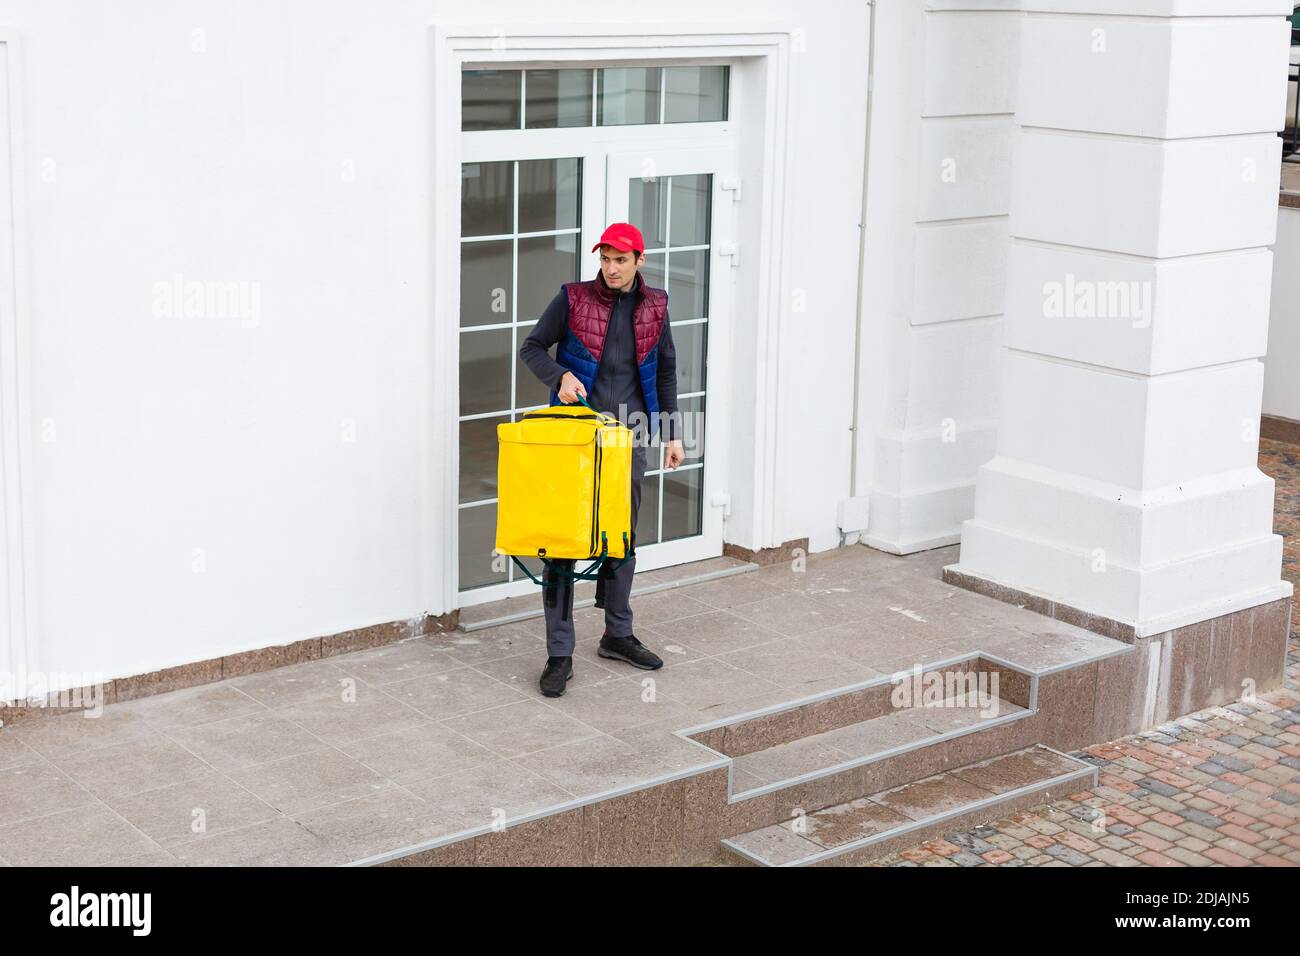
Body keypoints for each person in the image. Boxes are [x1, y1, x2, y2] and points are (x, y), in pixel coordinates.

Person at [518, 222, 685, 697]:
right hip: (574, 436)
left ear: (639, 262)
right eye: (605, 259)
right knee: (564, 541)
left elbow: (666, 369)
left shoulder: (656, 305)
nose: (610, 269)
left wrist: (671, 433)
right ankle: (559, 653)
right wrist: (560, 375)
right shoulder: (572, 298)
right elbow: (531, 347)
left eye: (620, 260)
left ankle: (617, 633)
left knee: (621, 536)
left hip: (628, 437)